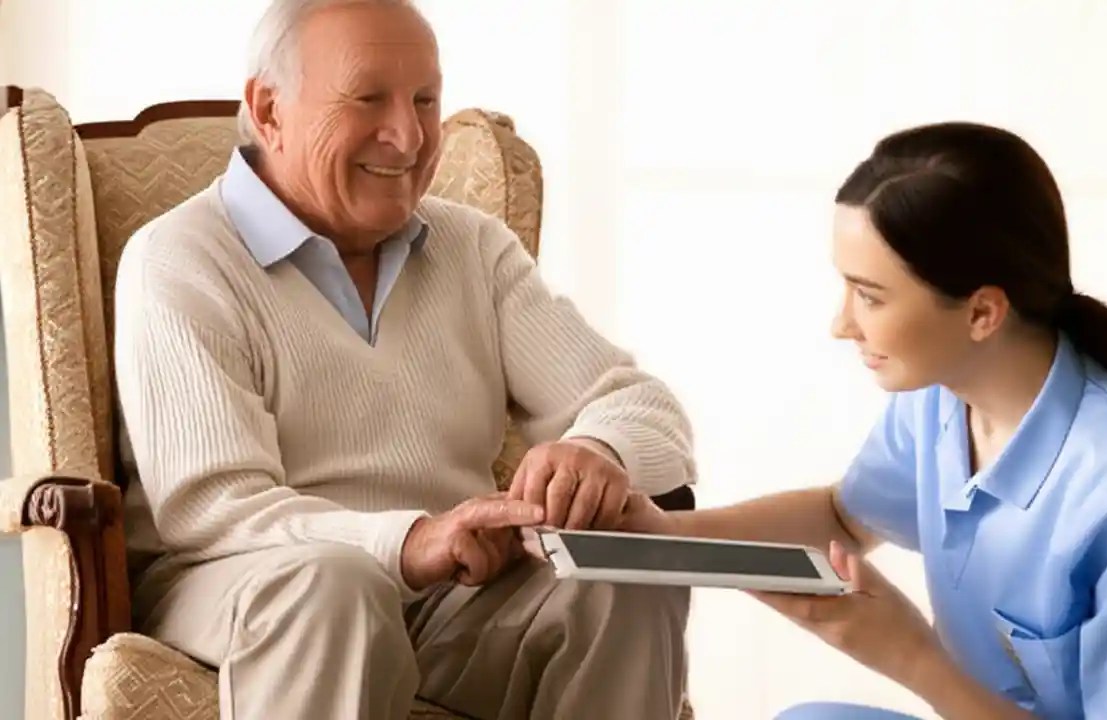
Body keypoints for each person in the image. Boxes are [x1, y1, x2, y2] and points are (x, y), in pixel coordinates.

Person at [112, 1, 694, 718]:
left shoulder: (472, 249)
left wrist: (596, 448)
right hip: (247, 585)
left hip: (453, 597)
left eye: (425, 100)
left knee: (626, 577)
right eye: (369, 99)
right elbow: (211, 510)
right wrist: (406, 541)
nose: (409, 136)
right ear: (269, 109)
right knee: (337, 585)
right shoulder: (178, 258)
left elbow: (640, 404)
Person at [617, 122, 1107, 718]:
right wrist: (665, 537)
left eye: (870, 296)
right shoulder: (940, 399)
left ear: (982, 312)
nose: (841, 324)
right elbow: (844, 519)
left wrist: (909, 655)